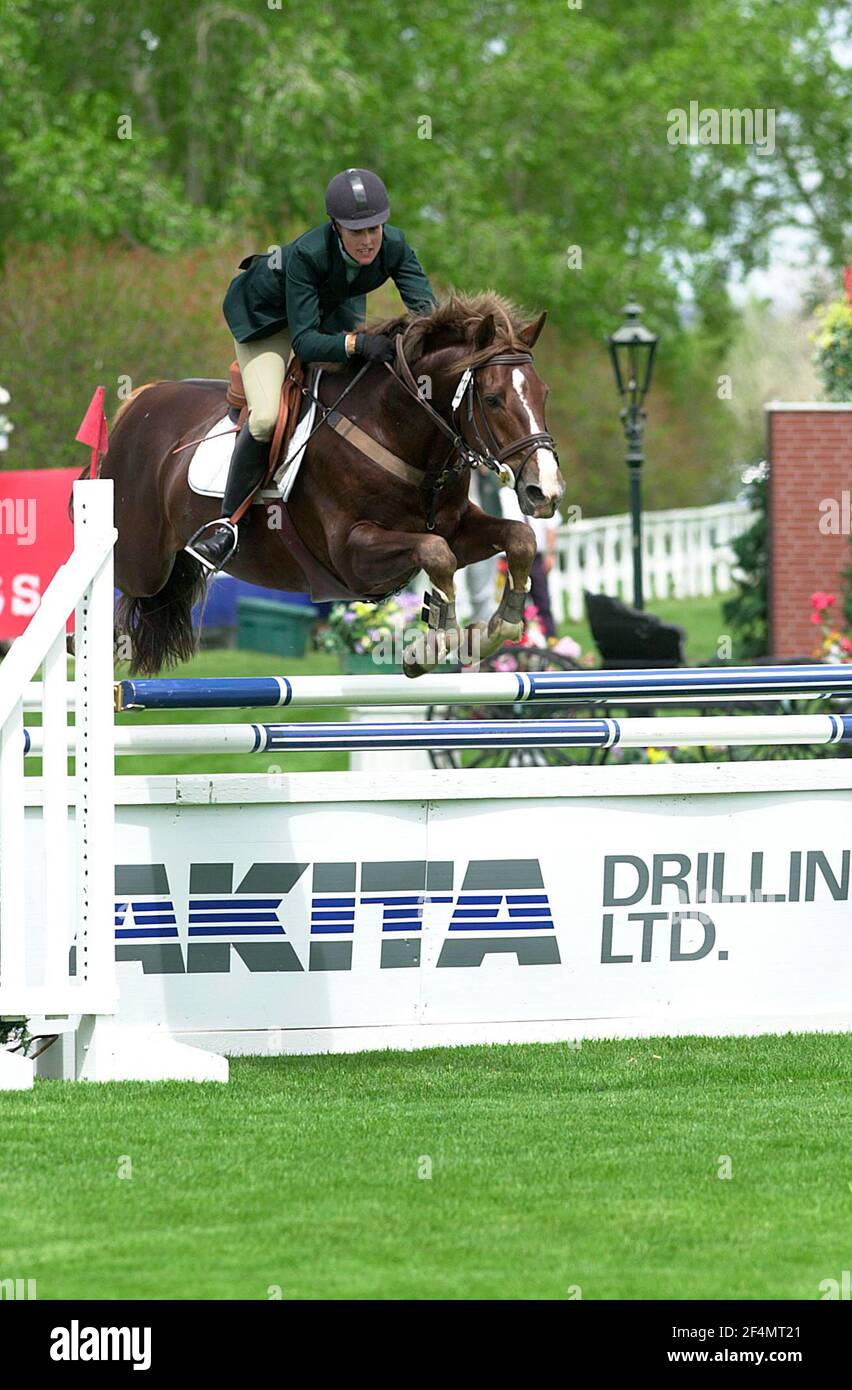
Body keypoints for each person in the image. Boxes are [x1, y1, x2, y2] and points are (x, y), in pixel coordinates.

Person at [187, 168, 437, 571]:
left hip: (326, 306)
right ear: (336, 228)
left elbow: (428, 314)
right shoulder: (307, 254)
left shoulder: (395, 246)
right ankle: (225, 527)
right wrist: (357, 343)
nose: (369, 240)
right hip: (267, 318)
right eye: (357, 231)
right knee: (267, 418)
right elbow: (303, 343)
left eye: (374, 228)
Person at [500, 486, 560, 638]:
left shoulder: (537, 493)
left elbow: (550, 525)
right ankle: (517, 643)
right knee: (513, 605)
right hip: (511, 559)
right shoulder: (501, 496)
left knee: (543, 601)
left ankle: (550, 639)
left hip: (536, 557)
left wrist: (550, 554)